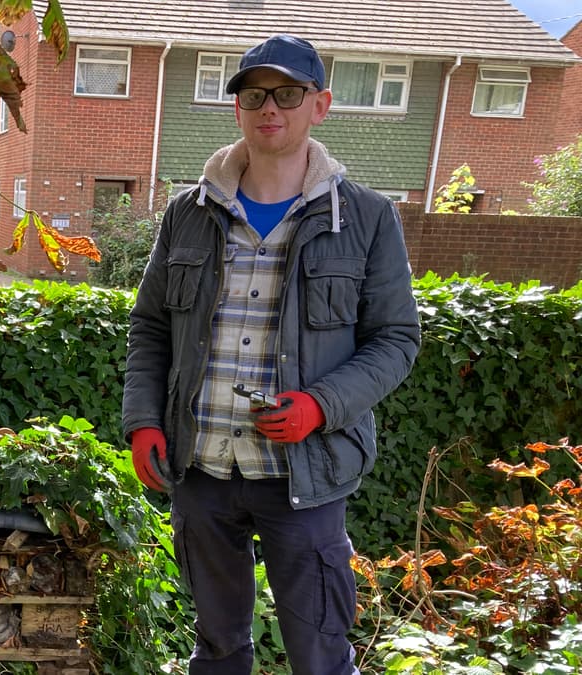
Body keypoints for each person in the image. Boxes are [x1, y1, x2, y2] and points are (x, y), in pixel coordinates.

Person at [121, 34, 421, 674]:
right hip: (201, 469)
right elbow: (150, 327)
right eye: (254, 94)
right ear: (238, 108)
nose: (270, 108)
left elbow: (396, 340)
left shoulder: (366, 218)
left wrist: (320, 405)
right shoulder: (189, 213)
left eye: (288, 93)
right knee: (218, 648)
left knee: (320, 654)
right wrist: (143, 421)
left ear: (321, 105)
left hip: (304, 478)